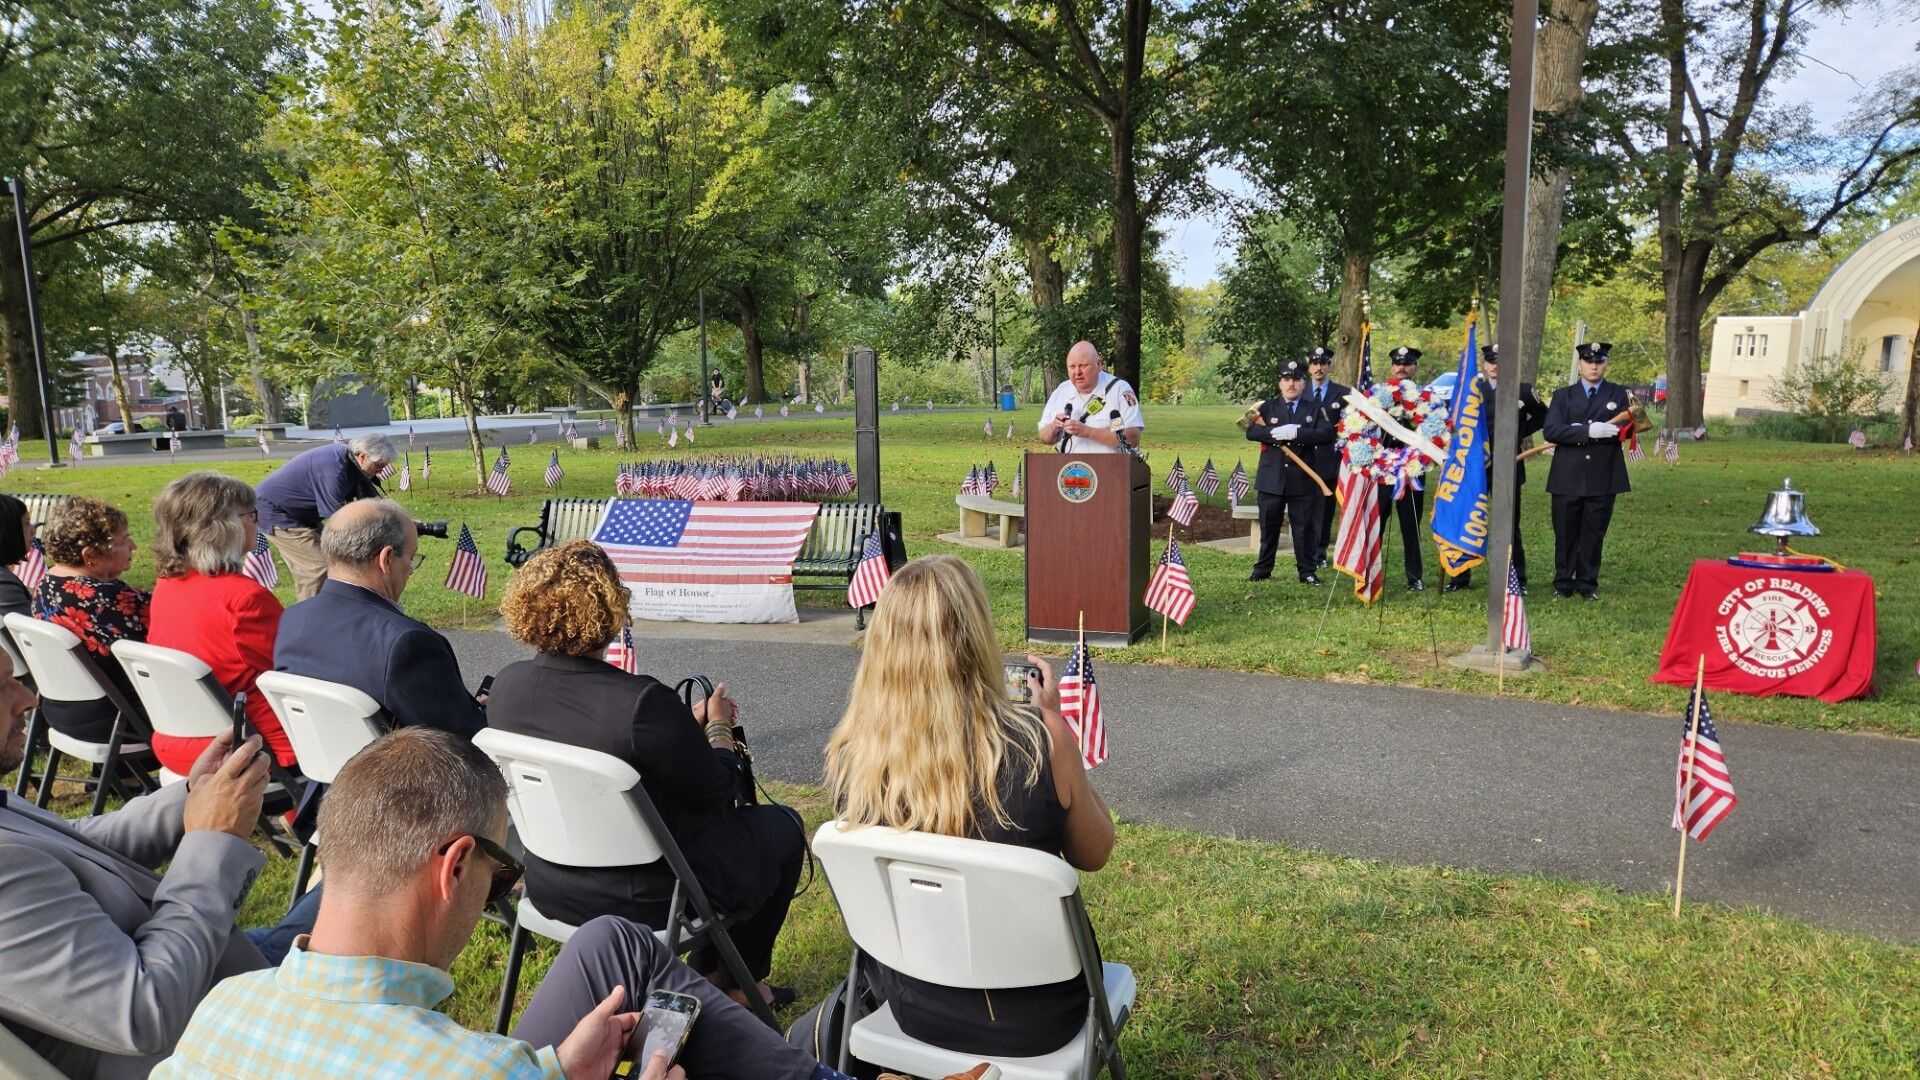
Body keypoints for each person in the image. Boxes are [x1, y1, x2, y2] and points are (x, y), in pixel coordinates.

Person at [154, 727, 956, 1080]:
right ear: (456, 866)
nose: (501, 888)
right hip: (671, 881)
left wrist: (556, 1069)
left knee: (615, 944)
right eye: (503, 870)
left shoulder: (221, 1012)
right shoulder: (473, 1068)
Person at [487, 542, 804, 1011]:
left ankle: (714, 976)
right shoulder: (640, 702)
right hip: (649, 898)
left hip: (550, 885)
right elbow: (717, 790)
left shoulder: (507, 687)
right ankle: (735, 983)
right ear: (610, 606)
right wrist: (717, 728)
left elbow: (611, 742)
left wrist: (681, 726)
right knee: (782, 826)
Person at [825, 555, 1115, 1059]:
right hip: (1038, 1018)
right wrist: (1056, 726)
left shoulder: (853, 757)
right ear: (975, 636)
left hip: (916, 1007)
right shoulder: (1041, 741)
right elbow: (1095, 851)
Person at [0, 664, 325, 1077]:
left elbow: (73, 842)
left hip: (207, 961)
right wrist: (212, 840)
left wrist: (193, 795)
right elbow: (145, 1012)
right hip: (219, 1039)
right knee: (377, 884)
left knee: (359, 876)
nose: (28, 698)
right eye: (2, 687)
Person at [274, 499, 486, 739]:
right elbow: (464, 739)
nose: (411, 569)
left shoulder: (293, 619)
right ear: (386, 559)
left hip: (327, 760)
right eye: (411, 558)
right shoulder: (407, 644)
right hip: (406, 762)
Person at [147, 472, 293, 776]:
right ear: (224, 528)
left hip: (178, 737)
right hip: (248, 749)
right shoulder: (244, 598)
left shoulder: (168, 584)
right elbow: (294, 671)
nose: (256, 522)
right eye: (250, 514)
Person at [32, 496, 151, 744]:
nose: (133, 546)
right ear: (91, 556)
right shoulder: (108, 598)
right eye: (124, 540)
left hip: (62, 710)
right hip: (118, 719)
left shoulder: (47, 583)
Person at [1444, 343, 1548, 593]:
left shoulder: (1522, 390)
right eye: (1491, 362)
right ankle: (1459, 576)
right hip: (1474, 467)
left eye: (1500, 362)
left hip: (1506, 466)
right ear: (1484, 364)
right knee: (1465, 518)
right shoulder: (1472, 390)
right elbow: (1454, 421)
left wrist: (1518, 433)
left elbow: (1544, 416)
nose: (1495, 367)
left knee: (1508, 524)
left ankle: (1516, 579)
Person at [253, 434, 396, 599]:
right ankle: (312, 613)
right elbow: (339, 520)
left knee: (335, 561)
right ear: (363, 457)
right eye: (378, 465)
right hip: (274, 511)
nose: (380, 471)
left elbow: (374, 503)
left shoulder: (355, 463)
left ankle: (333, 606)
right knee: (317, 566)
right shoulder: (334, 470)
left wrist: (402, 521)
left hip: (301, 514)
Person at [1542, 341, 1632, 600]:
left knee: (1594, 531)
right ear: (1580, 364)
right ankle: (1563, 582)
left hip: (1603, 474)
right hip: (1567, 474)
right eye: (1589, 361)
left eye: (1599, 361)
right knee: (1565, 531)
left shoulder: (1619, 394)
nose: (1594, 366)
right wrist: (1587, 431)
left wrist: (1616, 430)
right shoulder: (1563, 396)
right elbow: (1552, 430)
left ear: (1605, 364)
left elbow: (1633, 424)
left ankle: (1587, 583)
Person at [1244, 359, 1335, 584]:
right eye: (1286, 379)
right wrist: (1273, 433)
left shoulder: (1314, 408)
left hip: (1302, 480)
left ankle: (1307, 572)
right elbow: (1250, 430)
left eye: (1296, 379)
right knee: (1269, 528)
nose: (1291, 384)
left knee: (1303, 529)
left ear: (1304, 383)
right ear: (1280, 383)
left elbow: (1327, 434)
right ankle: (1262, 570)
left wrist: (1297, 433)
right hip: (1271, 479)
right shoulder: (1266, 407)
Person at [1378, 346, 1429, 590]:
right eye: (1398, 364)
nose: (1402, 368)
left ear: (1415, 368)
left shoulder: (1426, 399)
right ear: (1391, 368)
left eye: (1407, 364)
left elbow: (1433, 433)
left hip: (1412, 470)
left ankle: (1414, 576)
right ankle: (1370, 572)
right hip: (1382, 469)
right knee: (1376, 523)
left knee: (1411, 525)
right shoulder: (1378, 397)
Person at [1036, 341, 1144, 453]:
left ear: (1099, 365)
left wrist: (1087, 432)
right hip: (1071, 464)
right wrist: (1054, 427)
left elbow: (1132, 437)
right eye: (1072, 367)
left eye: (1083, 365)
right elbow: (1043, 437)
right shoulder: (1061, 391)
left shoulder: (1119, 390)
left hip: (1112, 463)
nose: (1077, 372)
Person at [1301, 346, 1350, 569]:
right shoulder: (1300, 391)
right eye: (1314, 363)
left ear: (1329, 366)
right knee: (1304, 507)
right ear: (1309, 366)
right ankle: (1305, 550)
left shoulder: (1343, 394)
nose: (1318, 367)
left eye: (1323, 363)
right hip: (1304, 459)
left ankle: (1319, 553)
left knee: (1325, 509)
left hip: (1330, 460)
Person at [0, 494, 35, 622]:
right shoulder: (4, 585)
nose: (33, 530)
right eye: (26, 523)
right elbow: (30, 630)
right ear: (8, 530)